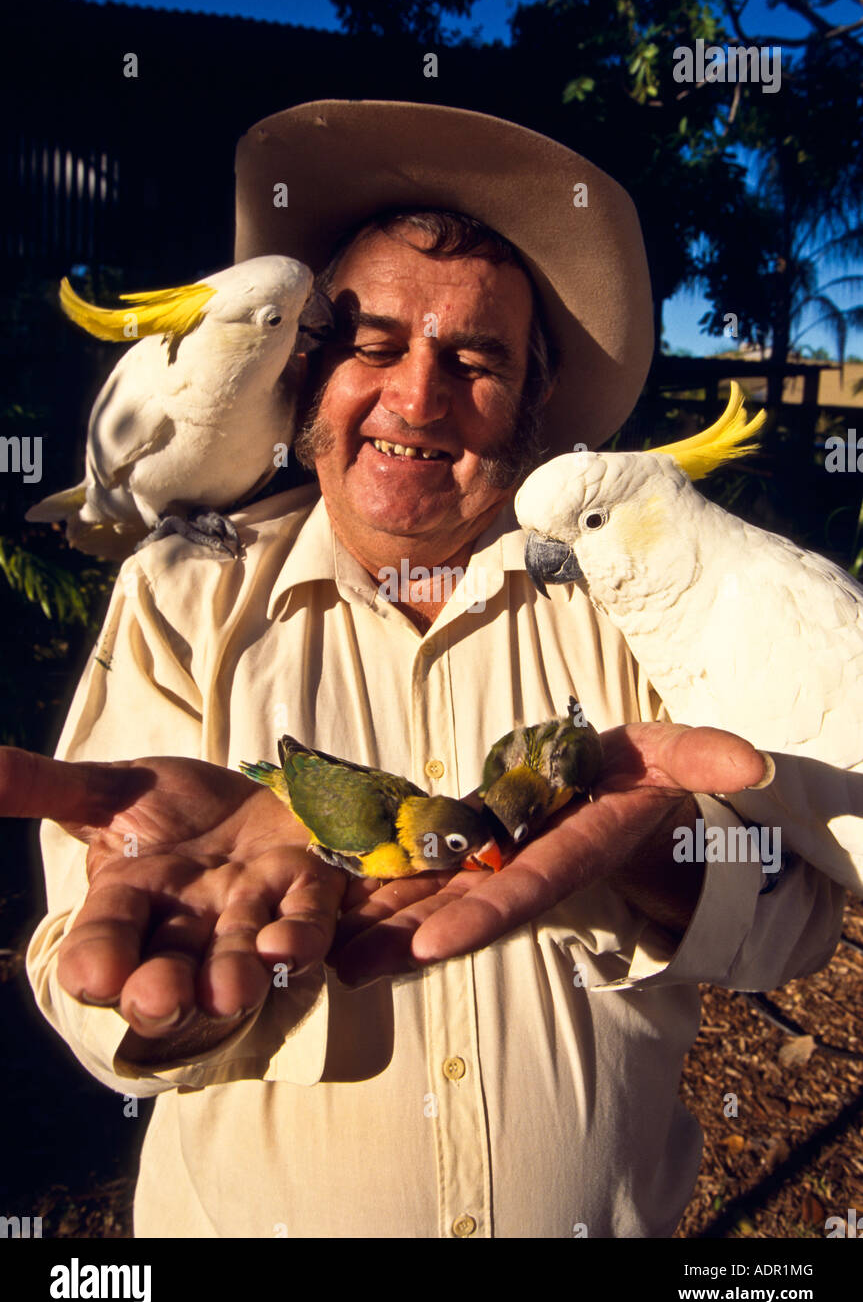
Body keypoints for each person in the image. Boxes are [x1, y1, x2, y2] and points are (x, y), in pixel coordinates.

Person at [15, 101, 844, 1238]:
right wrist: (191, 989)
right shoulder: (182, 595)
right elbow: (91, 990)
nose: (416, 394)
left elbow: (796, 925)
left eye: (473, 357)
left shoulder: (641, 607)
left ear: (533, 403)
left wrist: (655, 850)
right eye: (373, 344)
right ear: (307, 371)